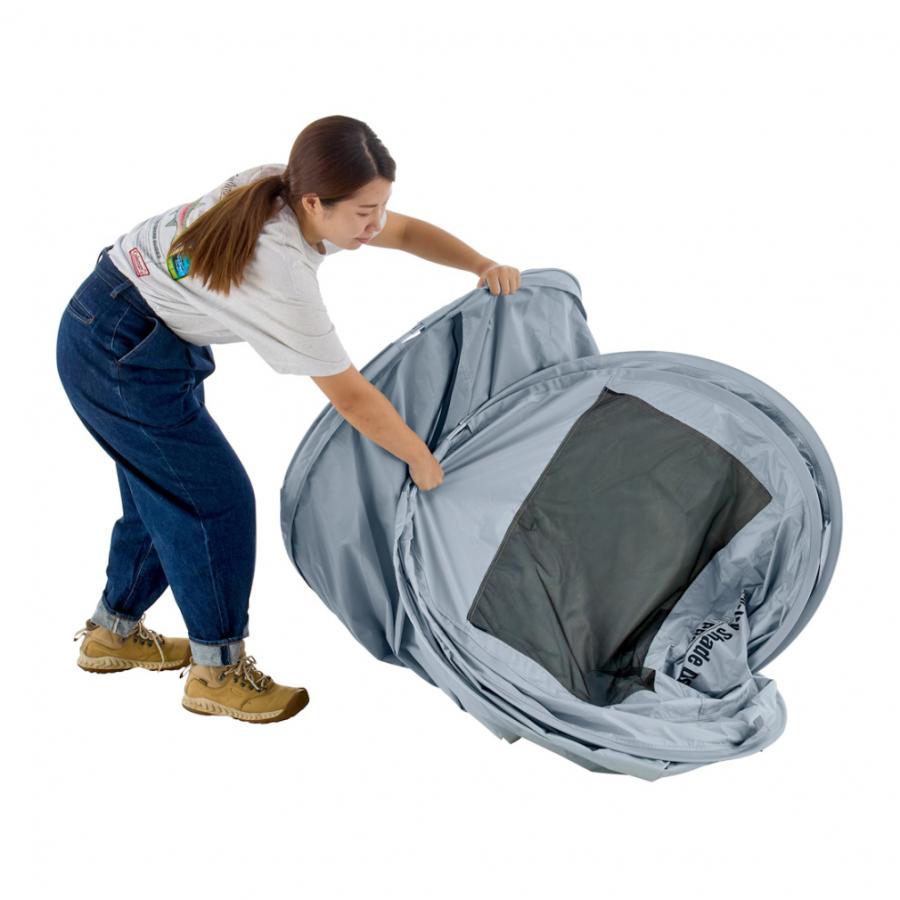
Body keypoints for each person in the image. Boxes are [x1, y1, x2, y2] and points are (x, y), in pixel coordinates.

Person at [58, 114, 521, 724]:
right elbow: (351, 397)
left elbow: (405, 232)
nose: (376, 224)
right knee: (214, 502)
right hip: (116, 347)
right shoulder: (278, 271)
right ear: (313, 203)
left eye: (380, 207)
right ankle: (217, 672)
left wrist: (481, 264)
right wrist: (420, 458)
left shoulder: (285, 187)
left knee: (162, 494)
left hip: (127, 329)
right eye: (364, 213)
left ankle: (111, 633)